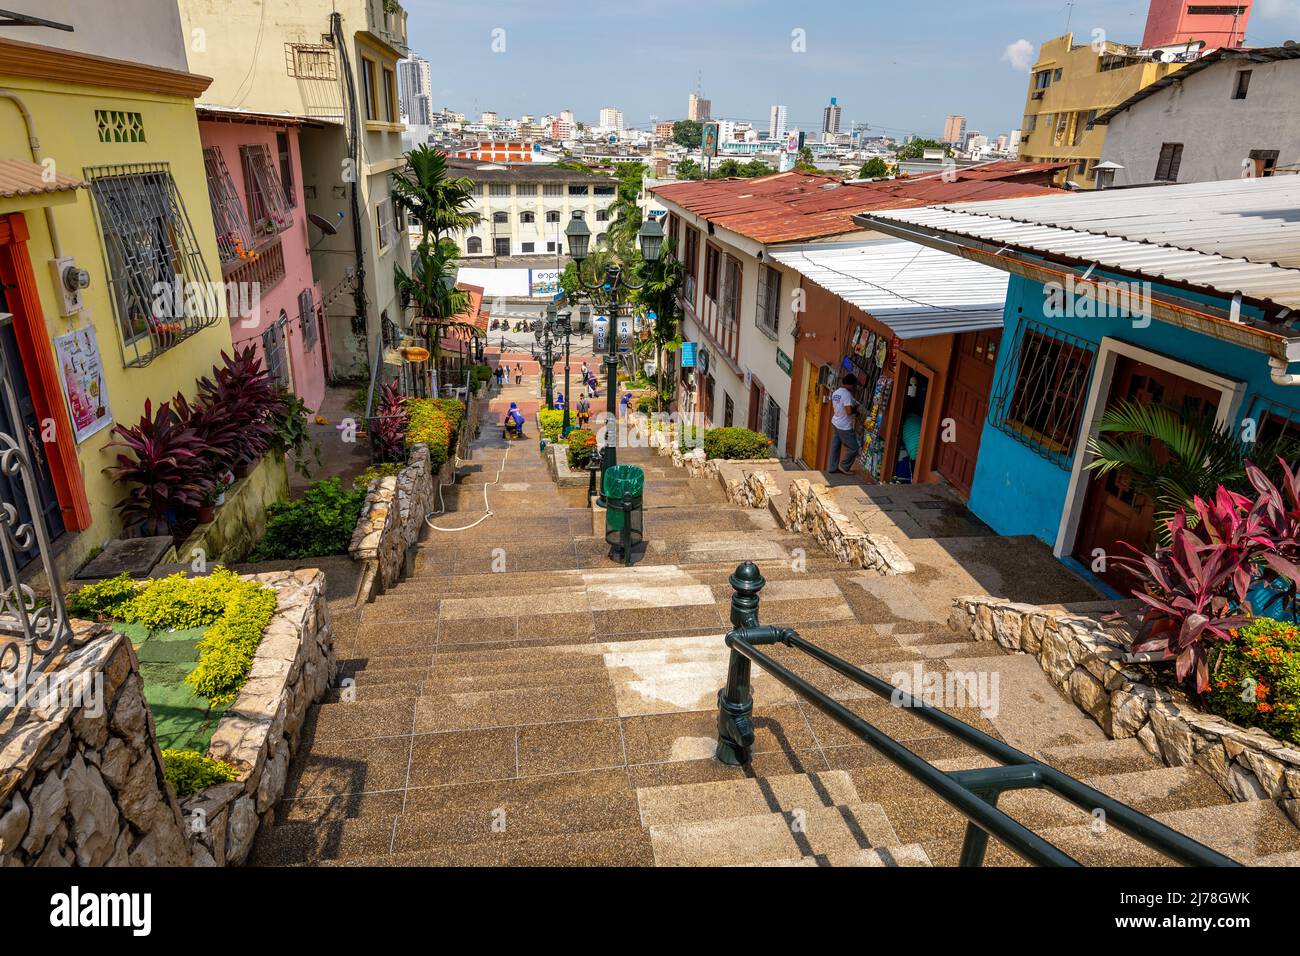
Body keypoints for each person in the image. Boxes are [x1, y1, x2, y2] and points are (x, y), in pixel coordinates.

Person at [827, 373, 861, 475]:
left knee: (835, 446)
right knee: (854, 448)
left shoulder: (836, 392)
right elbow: (849, 411)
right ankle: (844, 466)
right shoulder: (847, 395)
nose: (855, 387)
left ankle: (832, 467)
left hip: (836, 422)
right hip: (844, 426)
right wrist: (856, 409)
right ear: (851, 384)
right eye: (854, 385)